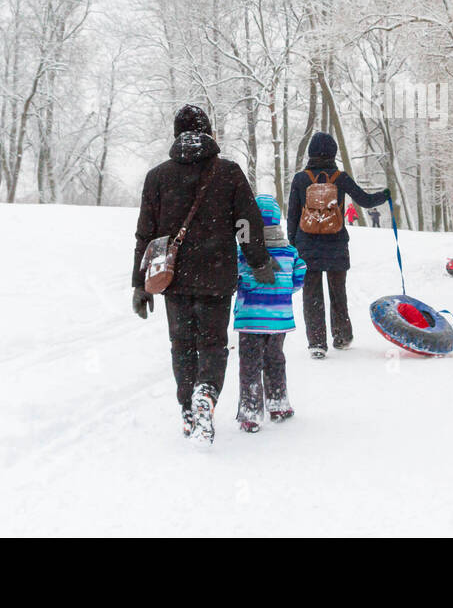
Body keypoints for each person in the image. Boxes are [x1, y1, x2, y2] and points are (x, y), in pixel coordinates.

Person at [131, 104, 276, 448]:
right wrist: (259, 261)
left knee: (181, 345)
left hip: (174, 280)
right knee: (213, 343)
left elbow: (145, 234)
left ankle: (187, 409)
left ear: (176, 134)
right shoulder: (228, 172)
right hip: (216, 276)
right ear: (209, 131)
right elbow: (247, 222)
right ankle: (205, 395)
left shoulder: (158, 177)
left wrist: (139, 285)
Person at [286, 132, 390, 358]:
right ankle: (341, 336)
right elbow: (365, 200)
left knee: (311, 295)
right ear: (333, 152)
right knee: (337, 292)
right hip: (336, 245)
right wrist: (384, 196)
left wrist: (294, 246)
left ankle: (316, 343)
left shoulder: (301, 179)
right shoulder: (340, 177)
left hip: (307, 245)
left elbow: (292, 215)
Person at [234, 194, 307, 433]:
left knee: (250, 365)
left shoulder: (243, 251)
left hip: (250, 320)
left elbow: (236, 279)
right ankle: (278, 404)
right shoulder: (290, 252)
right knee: (275, 358)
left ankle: (251, 414)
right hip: (279, 319)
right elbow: (298, 279)